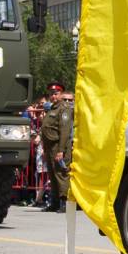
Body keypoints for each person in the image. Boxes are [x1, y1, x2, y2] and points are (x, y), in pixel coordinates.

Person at [40, 83, 74, 212]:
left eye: (56, 94)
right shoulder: (52, 109)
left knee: (61, 174)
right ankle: (54, 203)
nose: (53, 96)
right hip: (49, 147)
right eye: (51, 94)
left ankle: (64, 203)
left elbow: (64, 132)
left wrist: (60, 150)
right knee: (52, 174)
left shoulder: (64, 109)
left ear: (61, 94)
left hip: (58, 146)